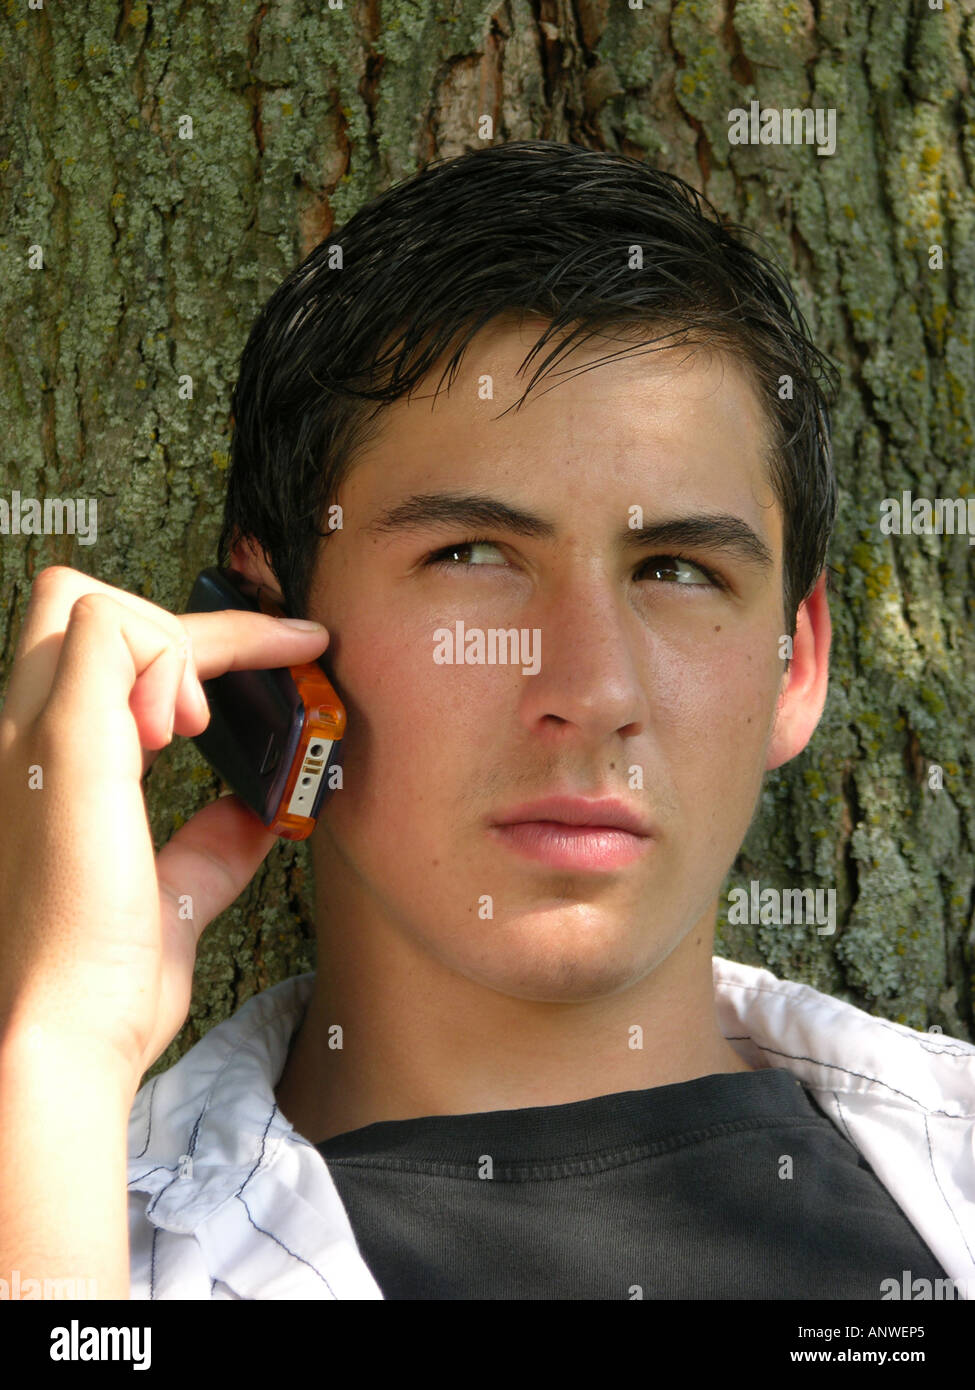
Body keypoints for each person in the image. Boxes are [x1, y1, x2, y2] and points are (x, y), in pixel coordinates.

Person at [1, 141, 972, 1302]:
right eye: (471, 555)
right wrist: (53, 1063)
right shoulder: (71, 1232)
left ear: (796, 663)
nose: (594, 688)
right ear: (265, 633)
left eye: (676, 569)